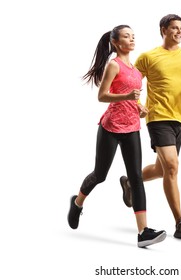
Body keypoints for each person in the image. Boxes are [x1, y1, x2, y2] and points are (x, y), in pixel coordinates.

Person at [67, 25, 166, 248]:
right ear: (115, 42)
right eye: (126, 36)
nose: (131, 39)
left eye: (133, 36)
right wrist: (127, 96)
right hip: (111, 127)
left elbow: (132, 96)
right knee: (100, 175)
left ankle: (143, 233)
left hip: (132, 127)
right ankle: (77, 203)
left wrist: (138, 106)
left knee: (136, 178)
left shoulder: (135, 68)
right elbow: (102, 96)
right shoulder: (114, 65)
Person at [119, 14, 181, 239]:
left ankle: (129, 182)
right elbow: (129, 82)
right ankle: (180, 222)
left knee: (161, 169)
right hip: (158, 118)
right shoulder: (148, 57)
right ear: (163, 30)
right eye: (174, 28)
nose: (179, 32)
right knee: (173, 167)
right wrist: (137, 105)